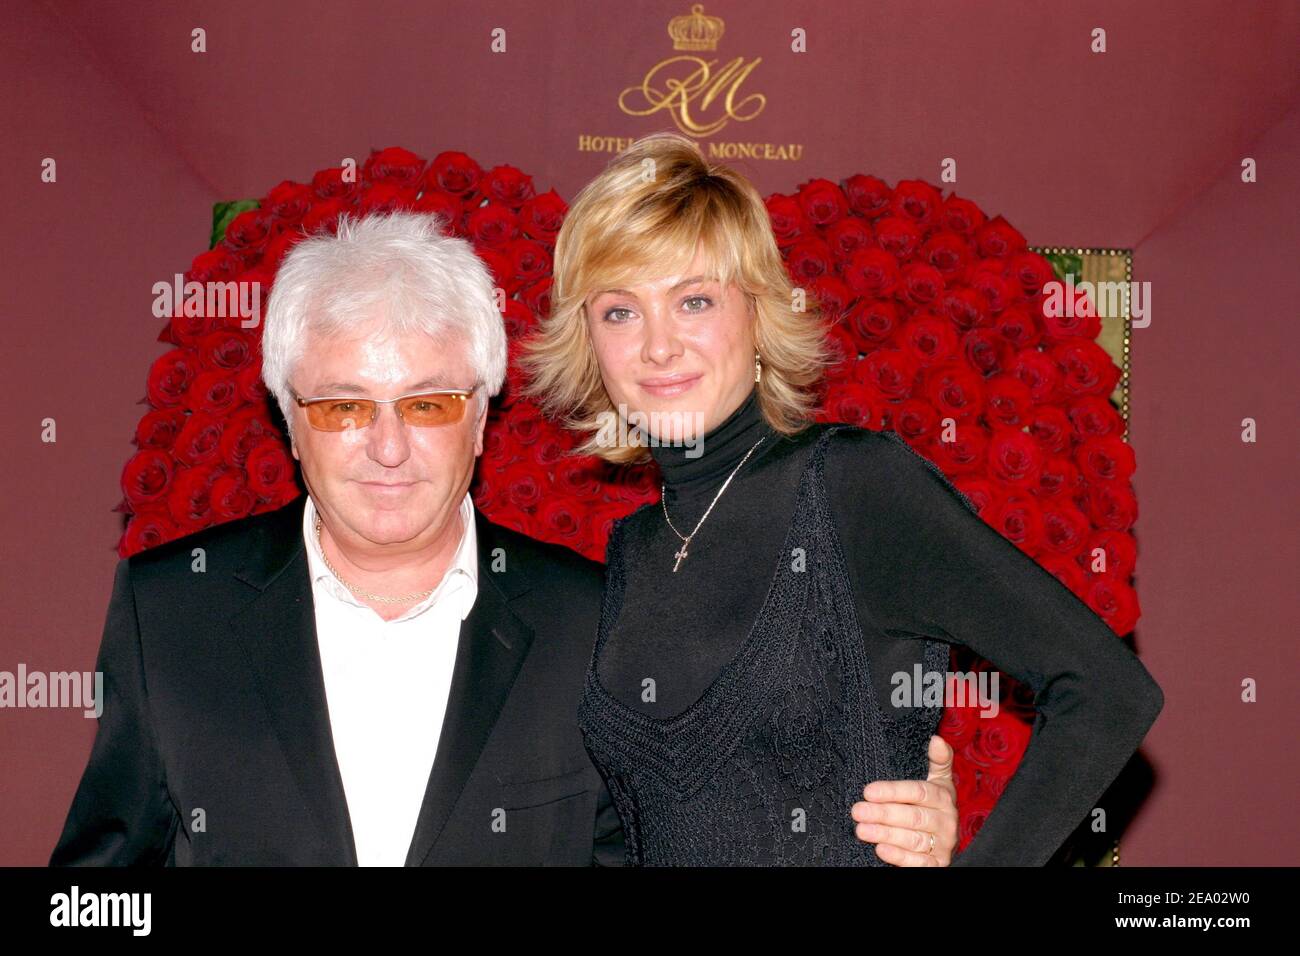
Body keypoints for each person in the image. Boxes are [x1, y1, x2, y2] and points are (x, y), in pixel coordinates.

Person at [50, 210, 957, 866]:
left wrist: (891, 817)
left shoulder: (595, 621)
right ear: (289, 419)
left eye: (429, 402)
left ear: (483, 416)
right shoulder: (172, 612)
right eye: (342, 407)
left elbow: (704, 838)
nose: (389, 445)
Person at [518, 132, 1165, 866]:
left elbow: (1107, 692)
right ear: (588, 342)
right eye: (620, 312)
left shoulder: (853, 489)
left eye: (693, 300)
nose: (658, 346)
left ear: (758, 317)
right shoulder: (634, 549)